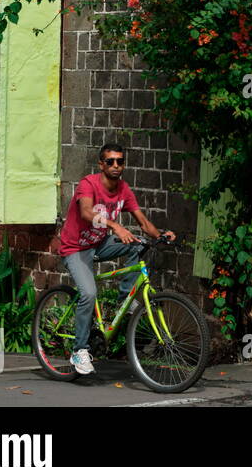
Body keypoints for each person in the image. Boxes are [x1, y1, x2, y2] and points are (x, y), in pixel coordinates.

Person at [56, 143, 175, 375]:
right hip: (75, 248)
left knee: (137, 244)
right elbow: (86, 213)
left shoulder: (123, 189)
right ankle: (79, 351)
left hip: (99, 244)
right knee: (89, 293)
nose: (115, 165)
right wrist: (114, 225)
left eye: (120, 161)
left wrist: (161, 235)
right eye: (110, 161)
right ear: (101, 164)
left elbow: (142, 222)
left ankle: (125, 302)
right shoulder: (88, 184)